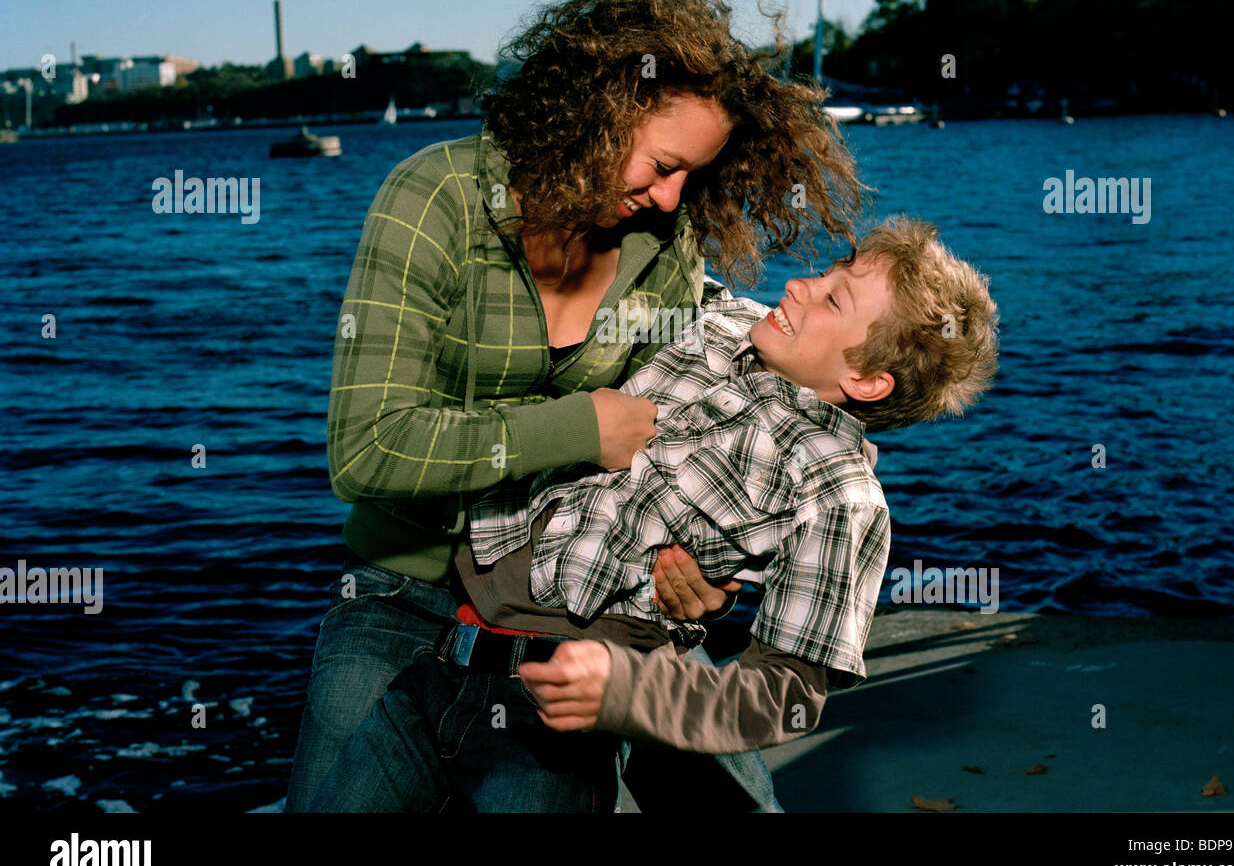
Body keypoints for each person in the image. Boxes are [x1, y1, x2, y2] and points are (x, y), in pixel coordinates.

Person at [285, 0, 865, 813]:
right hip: (395, 603)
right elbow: (365, 450)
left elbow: (679, 451)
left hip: (559, 621)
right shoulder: (436, 198)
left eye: (691, 179)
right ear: (595, 112)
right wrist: (579, 427)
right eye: (663, 165)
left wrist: (698, 584)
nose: (673, 202)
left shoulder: (663, 251)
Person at [305, 216, 999, 809]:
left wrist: (632, 695)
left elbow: (784, 696)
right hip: (436, 629)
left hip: (557, 703)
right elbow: (628, 265)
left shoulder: (838, 497)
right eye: (833, 267)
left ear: (866, 380)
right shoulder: (723, 320)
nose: (801, 282)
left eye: (833, 299)